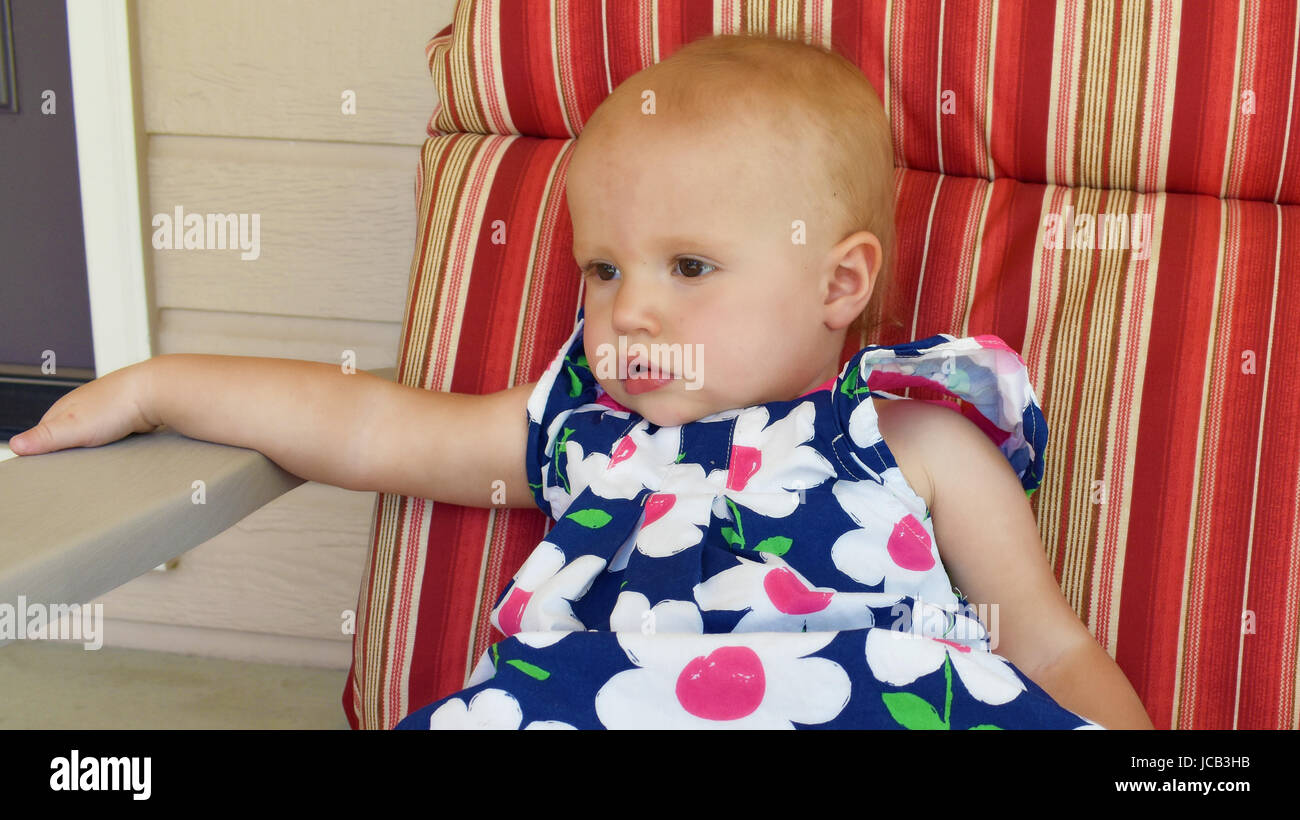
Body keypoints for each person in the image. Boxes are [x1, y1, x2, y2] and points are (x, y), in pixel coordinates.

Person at [9, 34, 1153, 730]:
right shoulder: (579, 423)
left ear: (838, 280)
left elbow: (1046, 647)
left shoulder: (911, 432)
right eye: (600, 269)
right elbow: (364, 425)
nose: (629, 309)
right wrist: (159, 385)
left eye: (689, 267)